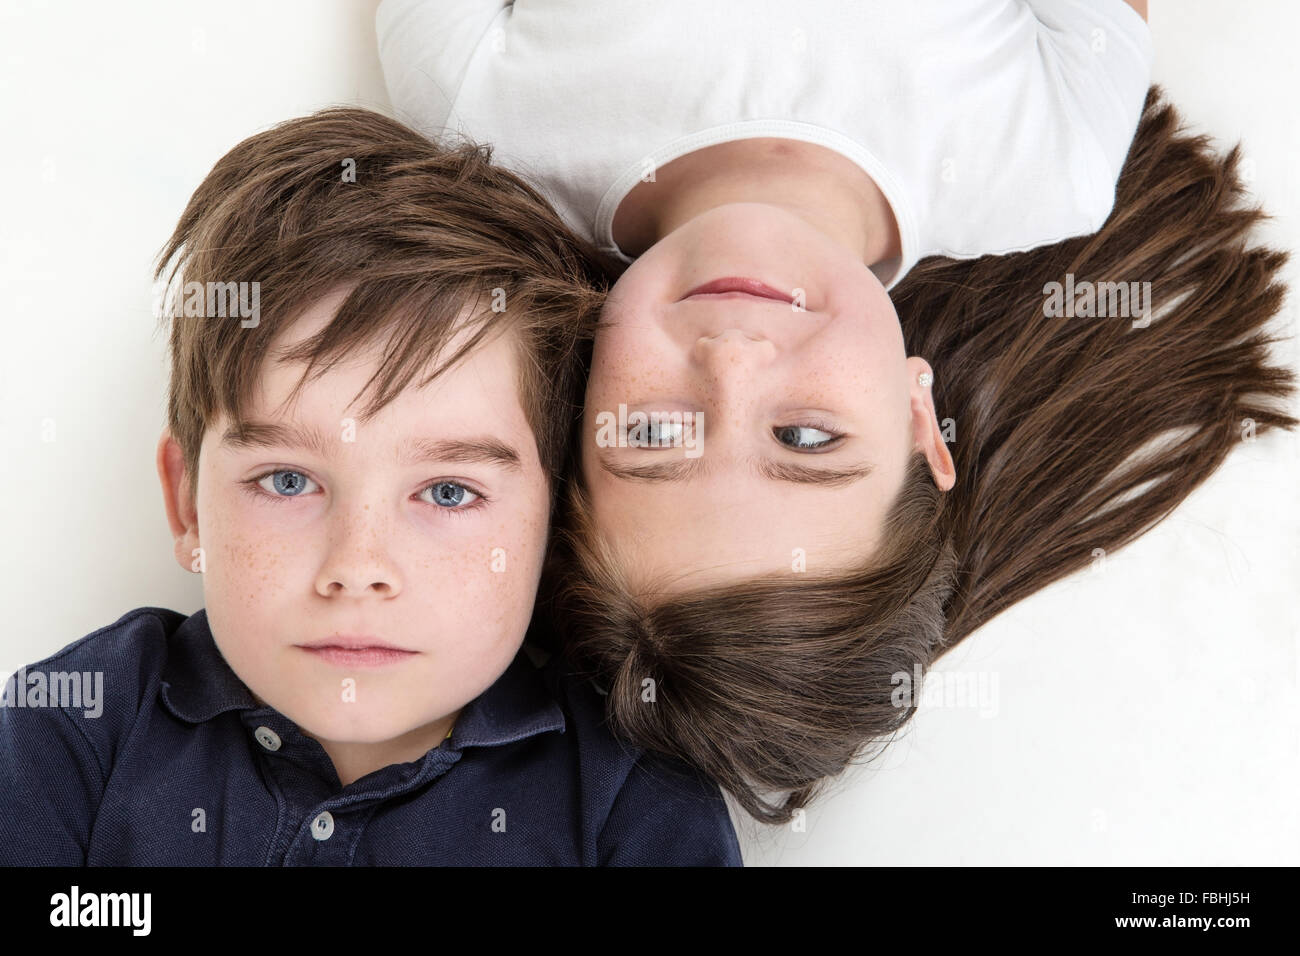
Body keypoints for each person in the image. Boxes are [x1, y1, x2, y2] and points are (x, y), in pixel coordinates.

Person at [377, 2, 1298, 825]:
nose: (732, 361)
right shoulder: (1050, 155)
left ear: (572, 413)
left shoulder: (477, 106)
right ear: (918, 423)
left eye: (656, 434)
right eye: (805, 437)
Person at [0, 107, 742, 865]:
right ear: (189, 504)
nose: (357, 567)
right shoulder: (76, 729)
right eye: (287, 481)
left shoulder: (631, 793)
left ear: (553, 523)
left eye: (449, 492)